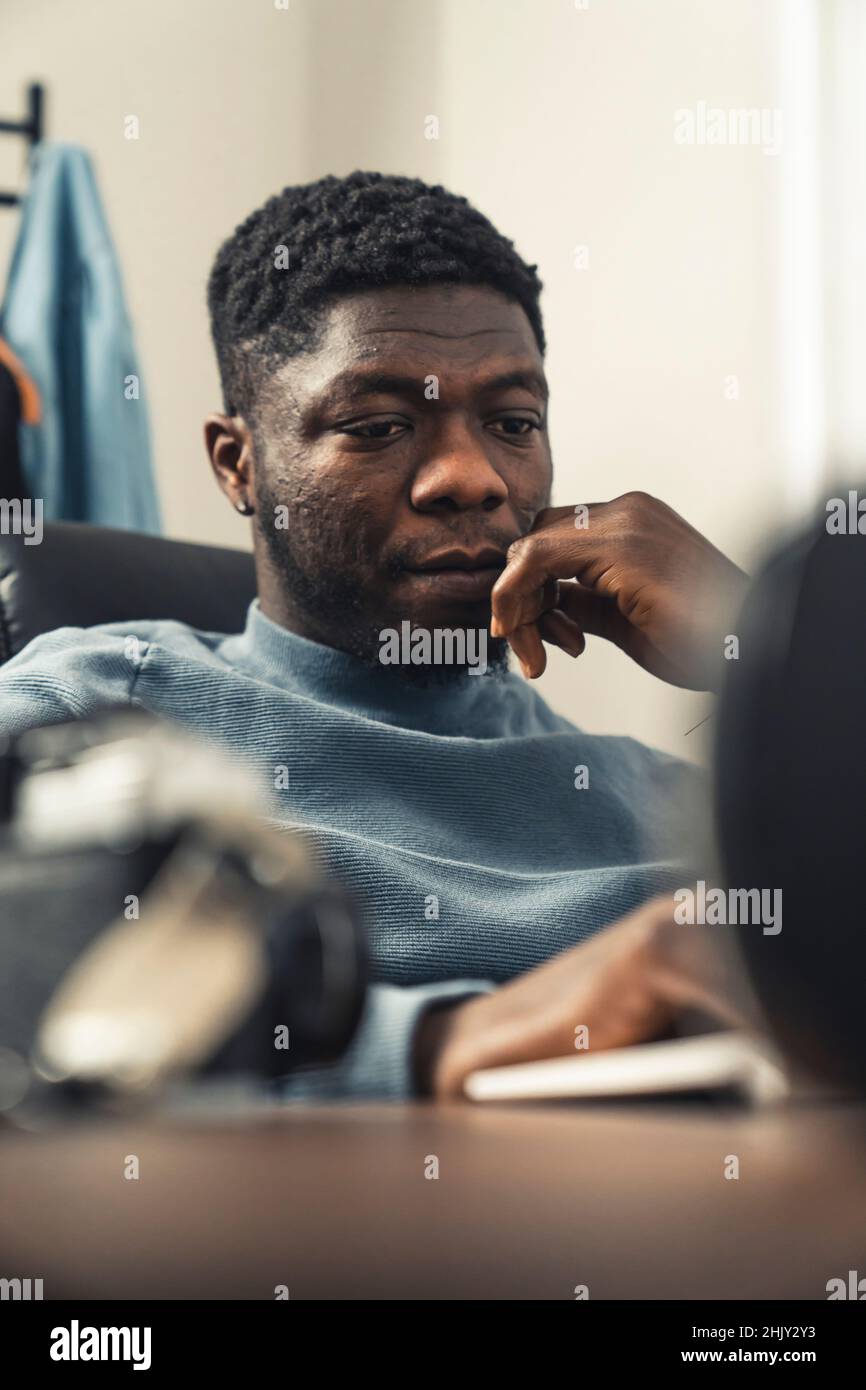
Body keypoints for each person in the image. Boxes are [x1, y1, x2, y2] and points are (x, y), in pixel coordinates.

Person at [0, 172, 749, 1099]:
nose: (471, 477)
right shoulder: (100, 704)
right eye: (379, 425)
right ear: (240, 466)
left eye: (513, 422)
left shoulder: (659, 796)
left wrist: (762, 653)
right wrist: (432, 1045)